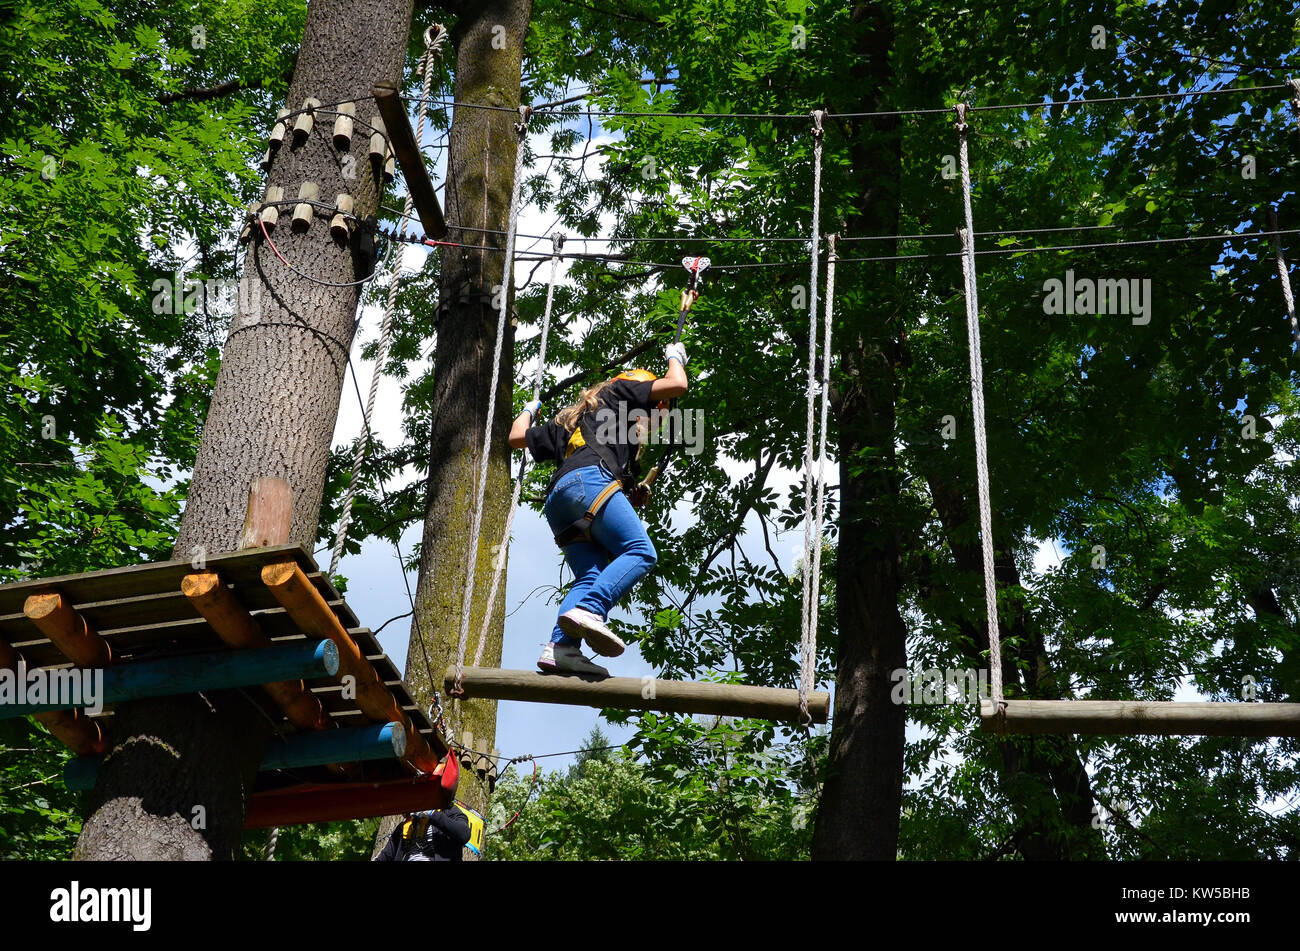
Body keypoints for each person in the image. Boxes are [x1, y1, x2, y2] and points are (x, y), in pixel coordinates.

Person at [508, 342, 690, 676]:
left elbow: (516, 437)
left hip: (560, 502)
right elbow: (677, 383)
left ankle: (560, 647)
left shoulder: (570, 421)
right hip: (590, 484)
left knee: (589, 576)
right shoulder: (623, 389)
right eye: (655, 409)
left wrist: (529, 410)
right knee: (641, 551)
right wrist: (674, 357)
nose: (654, 417)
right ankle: (592, 611)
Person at [374, 804, 471, 861]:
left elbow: (464, 834)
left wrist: (432, 814)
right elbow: (385, 856)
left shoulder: (448, 811)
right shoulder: (405, 826)